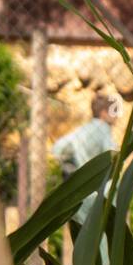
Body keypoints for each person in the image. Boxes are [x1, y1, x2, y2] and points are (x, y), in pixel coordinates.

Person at [51, 92, 116, 223]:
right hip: (100, 190)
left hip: (80, 189)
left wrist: (71, 166)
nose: (117, 117)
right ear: (104, 113)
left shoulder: (83, 130)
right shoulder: (103, 129)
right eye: (113, 112)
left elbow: (58, 149)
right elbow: (113, 155)